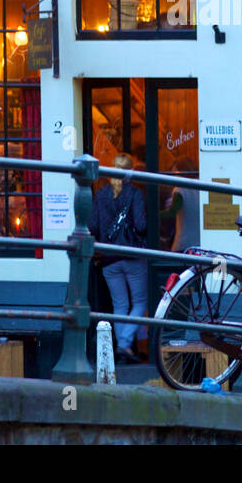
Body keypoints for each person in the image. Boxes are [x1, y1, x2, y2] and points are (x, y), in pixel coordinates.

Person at [91, 153, 148, 363]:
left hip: (109, 258)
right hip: (133, 256)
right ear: (130, 172)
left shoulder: (101, 194)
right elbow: (141, 226)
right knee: (141, 302)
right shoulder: (135, 193)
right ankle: (124, 345)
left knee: (120, 305)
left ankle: (124, 350)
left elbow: (93, 226)